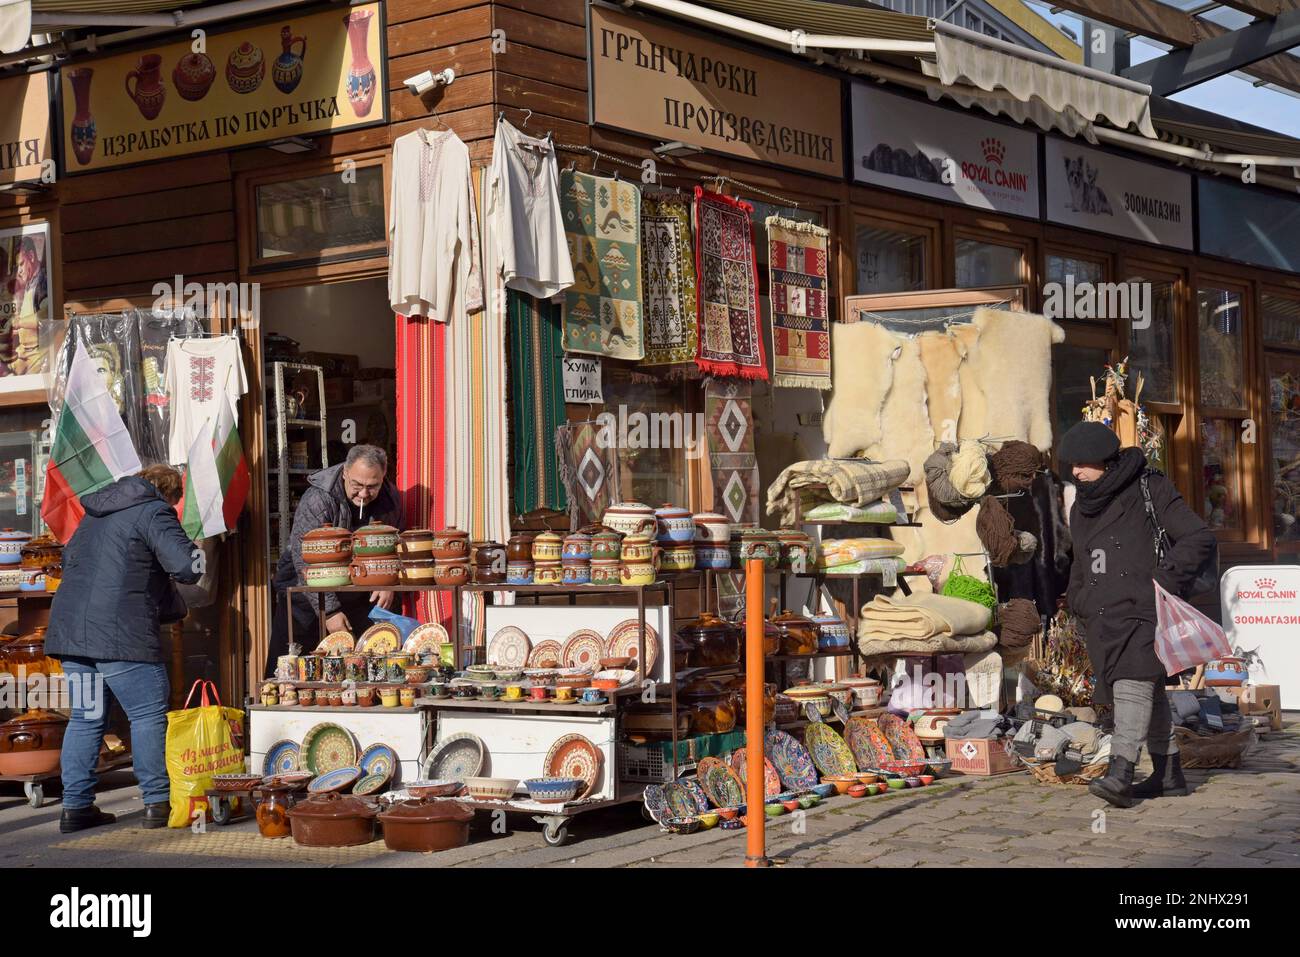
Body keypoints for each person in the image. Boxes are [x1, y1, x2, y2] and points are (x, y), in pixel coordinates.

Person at [1060, 421, 1215, 808]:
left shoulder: (1150, 487)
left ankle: (1121, 771)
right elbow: (1080, 558)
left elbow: (1199, 537)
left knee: (1133, 682)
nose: (1076, 472)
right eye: (1072, 464)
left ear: (1106, 462)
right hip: (1102, 615)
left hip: (1144, 610)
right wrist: (1077, 597)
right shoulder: (1082, 504)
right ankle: (1168, 772)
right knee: (1145, 687)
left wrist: (1160, 581)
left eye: (1083, 463)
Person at [46, 465, 200, 833]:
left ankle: (76, 808)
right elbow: (185, 565)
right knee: (146, 714)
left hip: (72, 633)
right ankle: (157, 802)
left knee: (86, 718)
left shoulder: (94, 514)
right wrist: (198, 558)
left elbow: (72, 564)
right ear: (169, 494)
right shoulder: (154, 511)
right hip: (120, 632)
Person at [265, 445, 401, 677]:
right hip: (305, 593)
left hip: (357, 590)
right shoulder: (318, 498)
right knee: (292, 666)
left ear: (383, 477)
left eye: (372, 487)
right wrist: (329, 612)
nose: (363, 494)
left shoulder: (389, 495)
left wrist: (387, 580)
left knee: (358, 662)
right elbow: (303, 560)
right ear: (345, 473)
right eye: (357, 485)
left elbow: (392, 543)